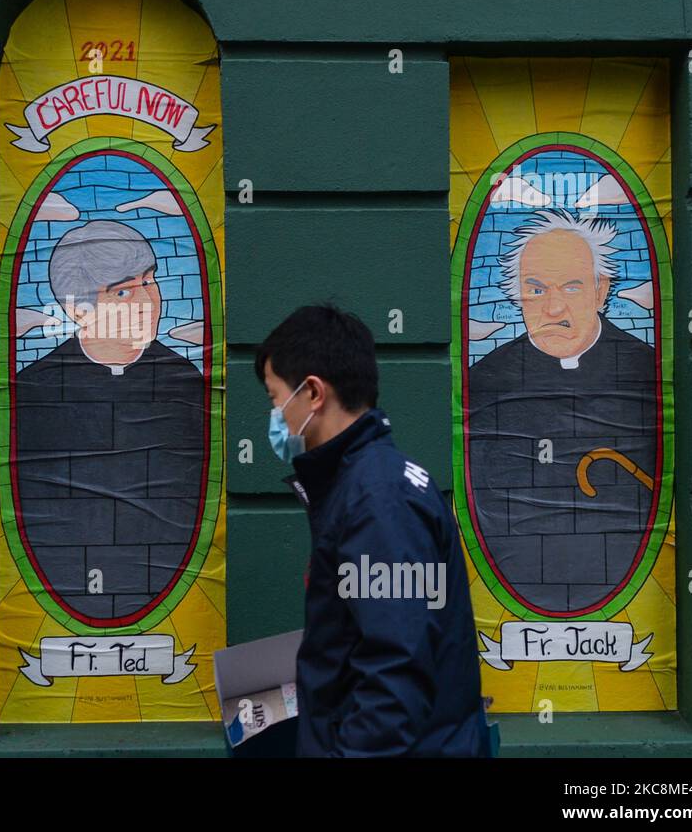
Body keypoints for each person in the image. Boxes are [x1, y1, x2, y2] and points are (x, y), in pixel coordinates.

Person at [256, 304, 492, 756]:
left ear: (312, 393)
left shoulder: (378, 502)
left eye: (274, 398)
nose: (276, 417)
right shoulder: (369, 486)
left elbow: (393, 678)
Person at [13, 220, 205, 622]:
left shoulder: (190, 388)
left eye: (149, 282)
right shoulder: (33, 392)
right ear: (77, 310)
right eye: (122, 291)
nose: (148, 302)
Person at [468, 209, 656, 613]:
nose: (552, 308)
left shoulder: (647, 372)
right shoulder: (483, 383)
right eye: (535, 290)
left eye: (571, 288)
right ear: (516, 293)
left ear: (601, 290)